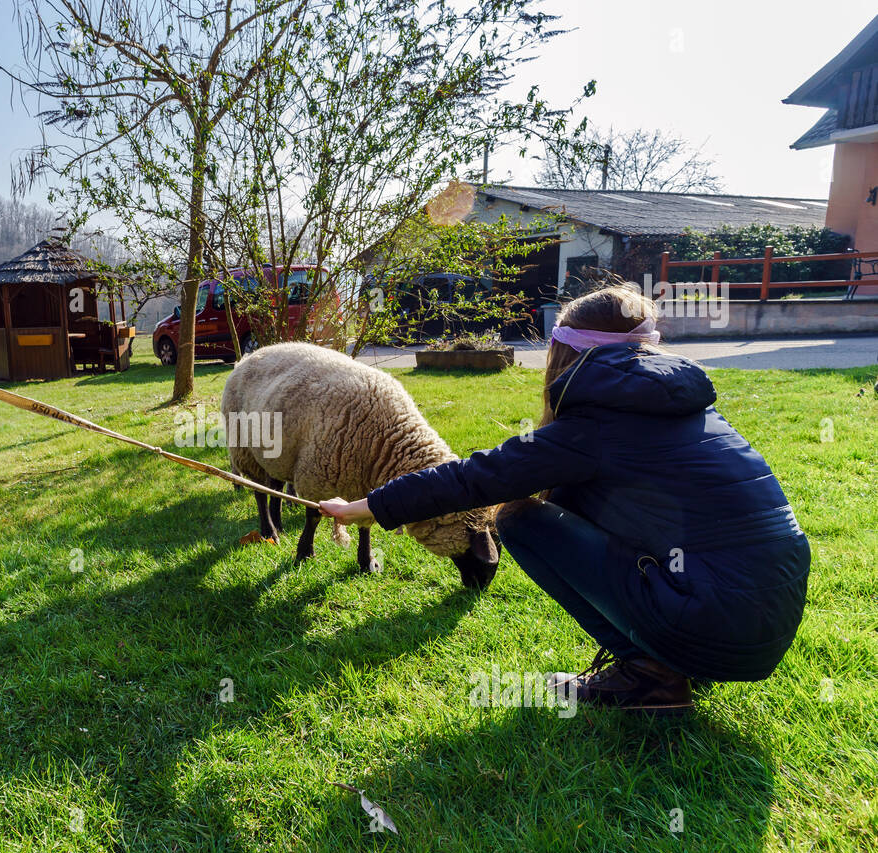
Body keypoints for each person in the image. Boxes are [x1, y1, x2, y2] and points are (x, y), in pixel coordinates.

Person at [320, 286, 811, 715]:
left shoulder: (592, 428)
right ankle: (671, 657)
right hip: (769, 621)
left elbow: (478, 478)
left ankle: (650, 675)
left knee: (519, 517)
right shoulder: (687, 407)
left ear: (565, 354)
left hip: (715, 617)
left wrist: (367, 506)